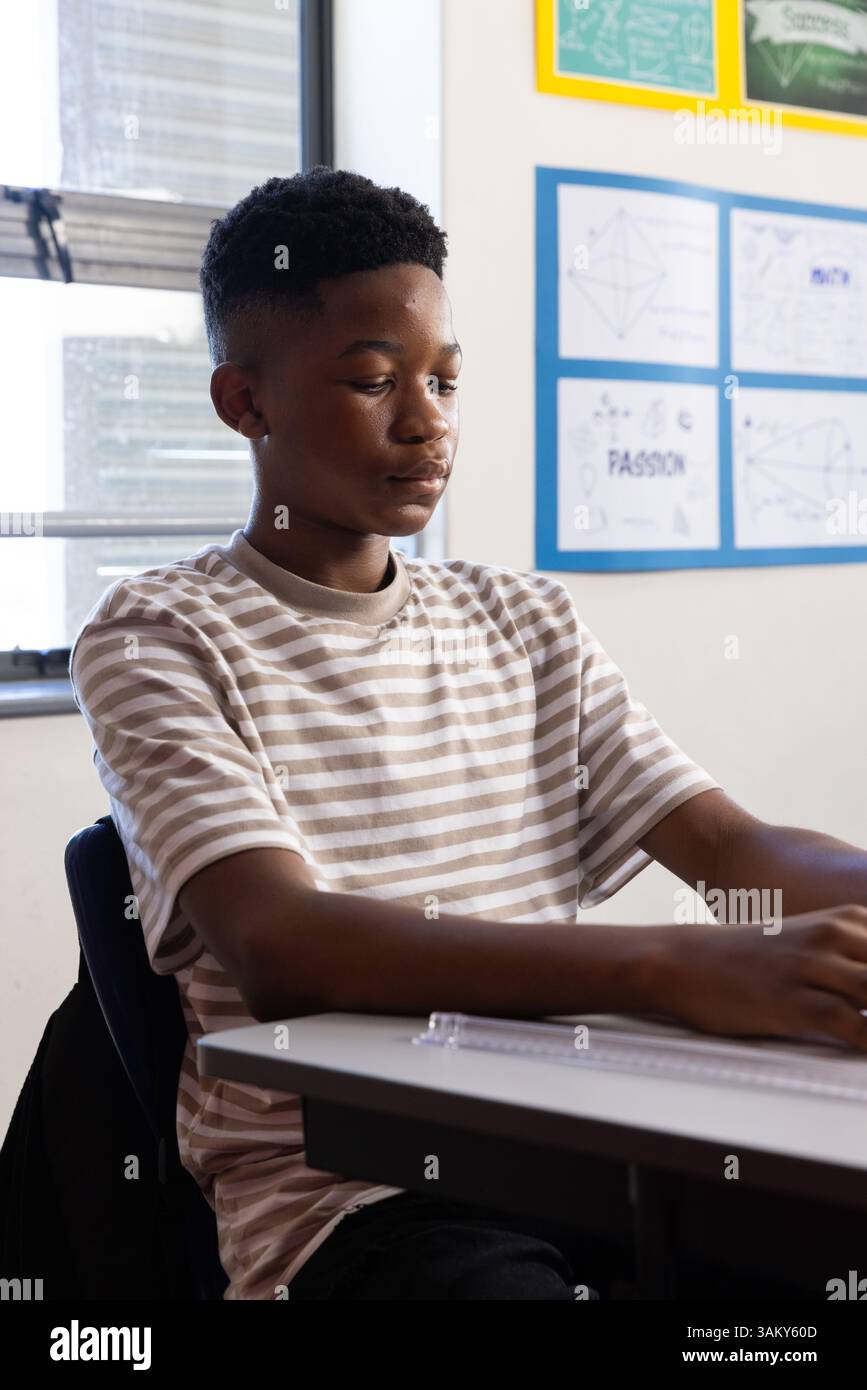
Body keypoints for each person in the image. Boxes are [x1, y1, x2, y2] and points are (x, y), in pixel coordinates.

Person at [69, 167, 867, 1301]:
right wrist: (678, 965)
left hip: (594, 1146)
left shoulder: (522, 616)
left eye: (445, 381)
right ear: (244, 402)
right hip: (356, 1196)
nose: (425, 421)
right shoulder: (160, 634)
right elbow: (283, 947)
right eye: (372, 382)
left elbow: (731, 853)